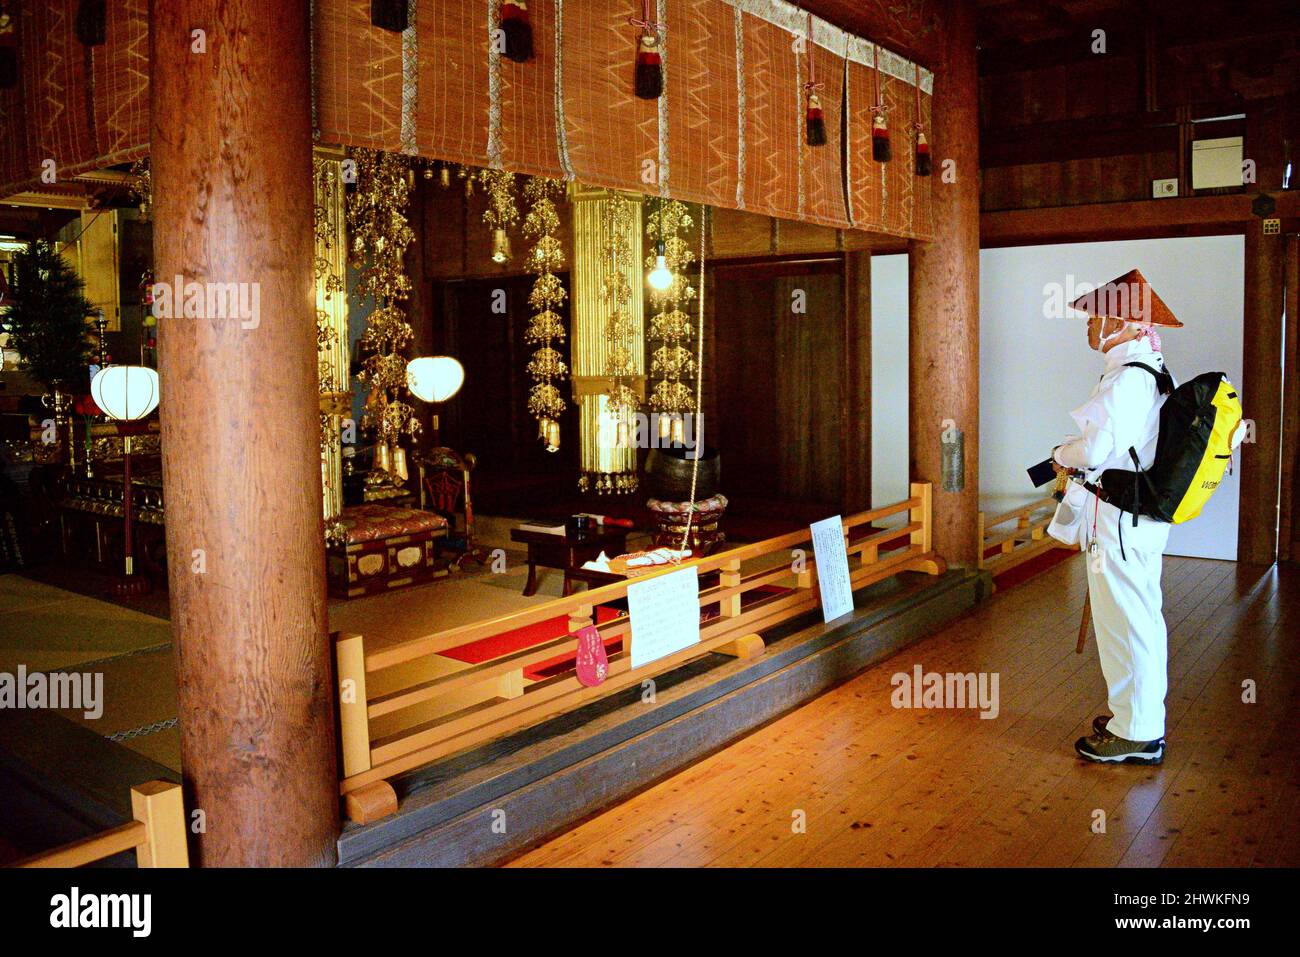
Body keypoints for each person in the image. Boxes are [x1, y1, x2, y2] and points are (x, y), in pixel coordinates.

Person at [1050, 268, 1184, 765]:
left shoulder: (1130, 378)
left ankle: (1138, 732)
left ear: (1124, 322)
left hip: (1122, 520)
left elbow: (1098, 448)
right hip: (1132, 518)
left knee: (1125, 622)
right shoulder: (1142, 371)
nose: (1088, 325)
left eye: (1096, 316)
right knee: (1134, 618)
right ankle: (1134, 718)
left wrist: (1064, 452)